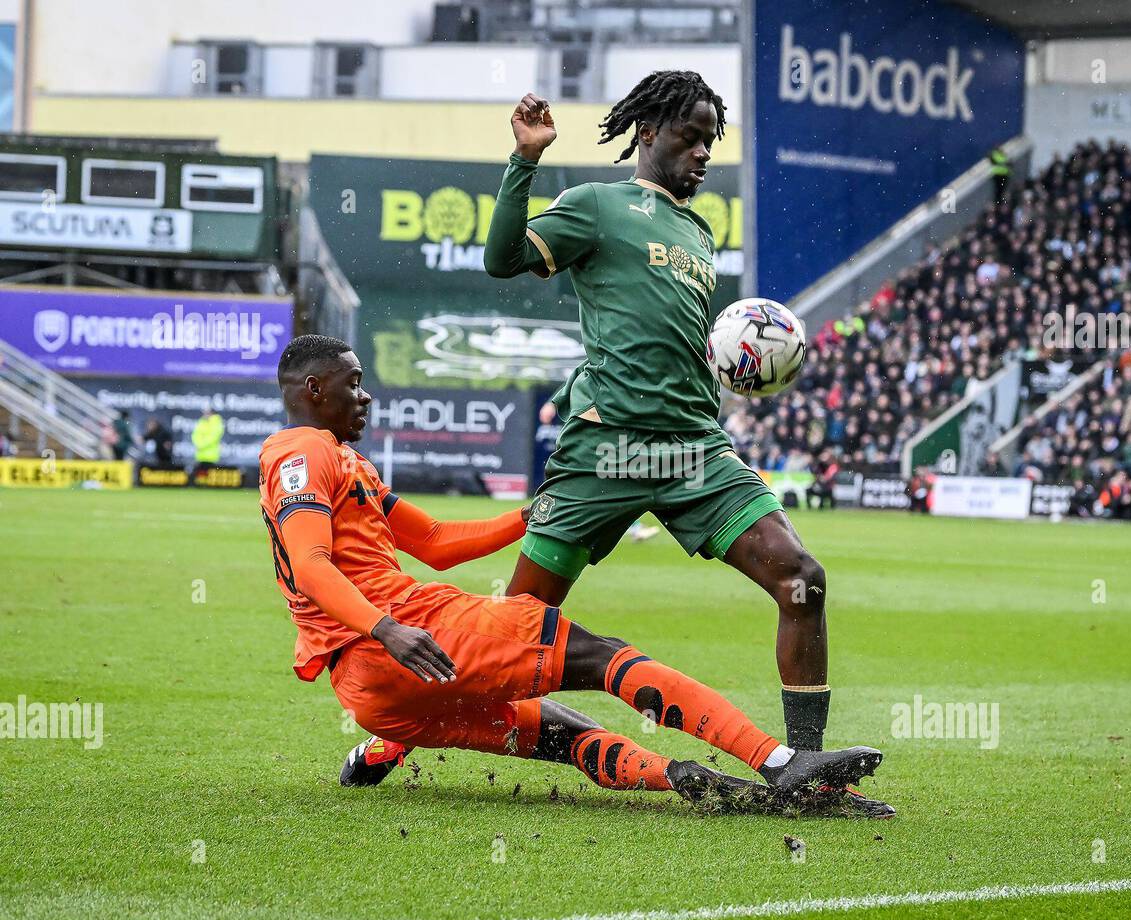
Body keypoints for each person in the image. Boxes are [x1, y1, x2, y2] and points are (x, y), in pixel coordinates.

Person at [267, 335, 892, 816]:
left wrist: (530, 515)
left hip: (371, 695)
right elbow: (311, 564)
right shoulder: (305, 451)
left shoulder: (347, 462)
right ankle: (779, 762)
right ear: (315, 389)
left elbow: (432, 542)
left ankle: (688, 779)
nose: (366, 395)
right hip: (404, 635)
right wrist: (387, 628)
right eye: (355, 384)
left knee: (564, 735)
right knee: (602, 657)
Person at [464, 75, 863, 782]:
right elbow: (501, 260)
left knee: (802, 577)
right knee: (514, 631)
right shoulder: (594, 205)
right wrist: (524, 159)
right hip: (607, 449)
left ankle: (806, 767)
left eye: (712, 139)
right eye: (692, 135)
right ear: (647, 132)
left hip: (694, 450)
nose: (704, 151)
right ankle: (394, 735)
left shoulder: (698, 230)